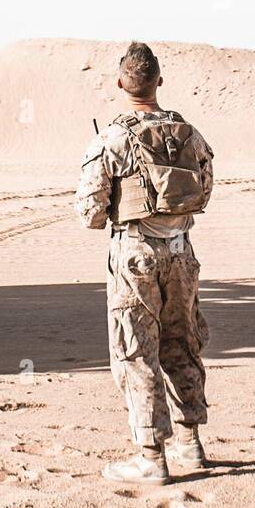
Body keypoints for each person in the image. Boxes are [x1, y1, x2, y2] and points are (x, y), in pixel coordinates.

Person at [74, 42, 215, 485]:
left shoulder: (112, 138)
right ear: (159, 80)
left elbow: (90, 214)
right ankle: (190, 443)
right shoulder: (189, 133)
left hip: (135, 255)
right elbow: (206, 190)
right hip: (181, 254)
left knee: (136, 351)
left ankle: (151, 457)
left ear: (120, 83)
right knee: (182, 342)